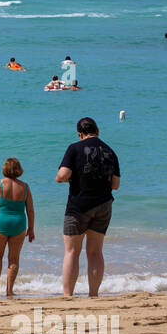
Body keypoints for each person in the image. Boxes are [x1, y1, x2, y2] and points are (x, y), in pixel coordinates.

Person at [55, 118, 120, 296]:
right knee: (95, 251)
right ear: (97, 131)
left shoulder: (74, 148)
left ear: (80, 134)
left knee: (72, 252)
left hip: (79, 205)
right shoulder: (110, 151)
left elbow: (63, 175)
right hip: (104, 204)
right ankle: (93, 294)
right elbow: (116, 184)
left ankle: (68, 295)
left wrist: (62, 177)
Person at [0, 158, 34, 296]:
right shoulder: (25, 187)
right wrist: (31, 228)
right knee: (14, 259)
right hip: (19, 224)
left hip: (1, 223)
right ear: (19, 169)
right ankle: (9, 290)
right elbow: (30, 210)